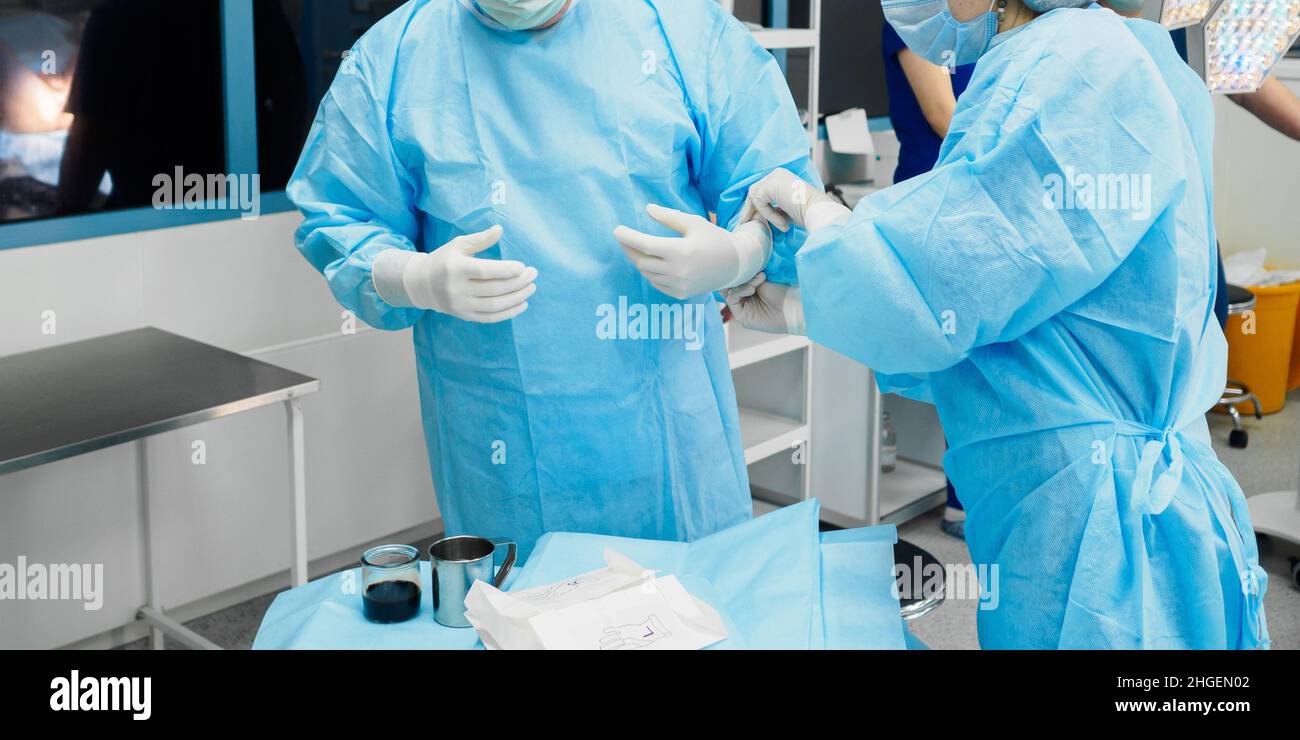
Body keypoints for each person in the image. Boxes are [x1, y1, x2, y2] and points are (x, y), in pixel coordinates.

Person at [725, 0, 1269, 648]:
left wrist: (810, 222)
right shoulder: (1119, 53)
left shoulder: (1067, 66)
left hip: (1097, 535)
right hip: (1122, 504)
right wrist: (799, 296)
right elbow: (1010, 323)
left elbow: (944, 272)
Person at [288, 0, 816, 559]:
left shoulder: (680, 29)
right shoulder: (396, 58)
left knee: (690, 615)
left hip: (668, 427)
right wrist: (411, 276)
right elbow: (340, 215)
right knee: (522, 615)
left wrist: (740, 252)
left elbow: (776, 184)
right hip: (500, 438)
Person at [881, 17, 977, 539]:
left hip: (970, 196)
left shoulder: (981, 20)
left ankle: (975, 491)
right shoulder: (912, 15)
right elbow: (946, 116)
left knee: (979, 354)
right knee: (959, 359)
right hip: (933, 200)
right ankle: (964, 499)